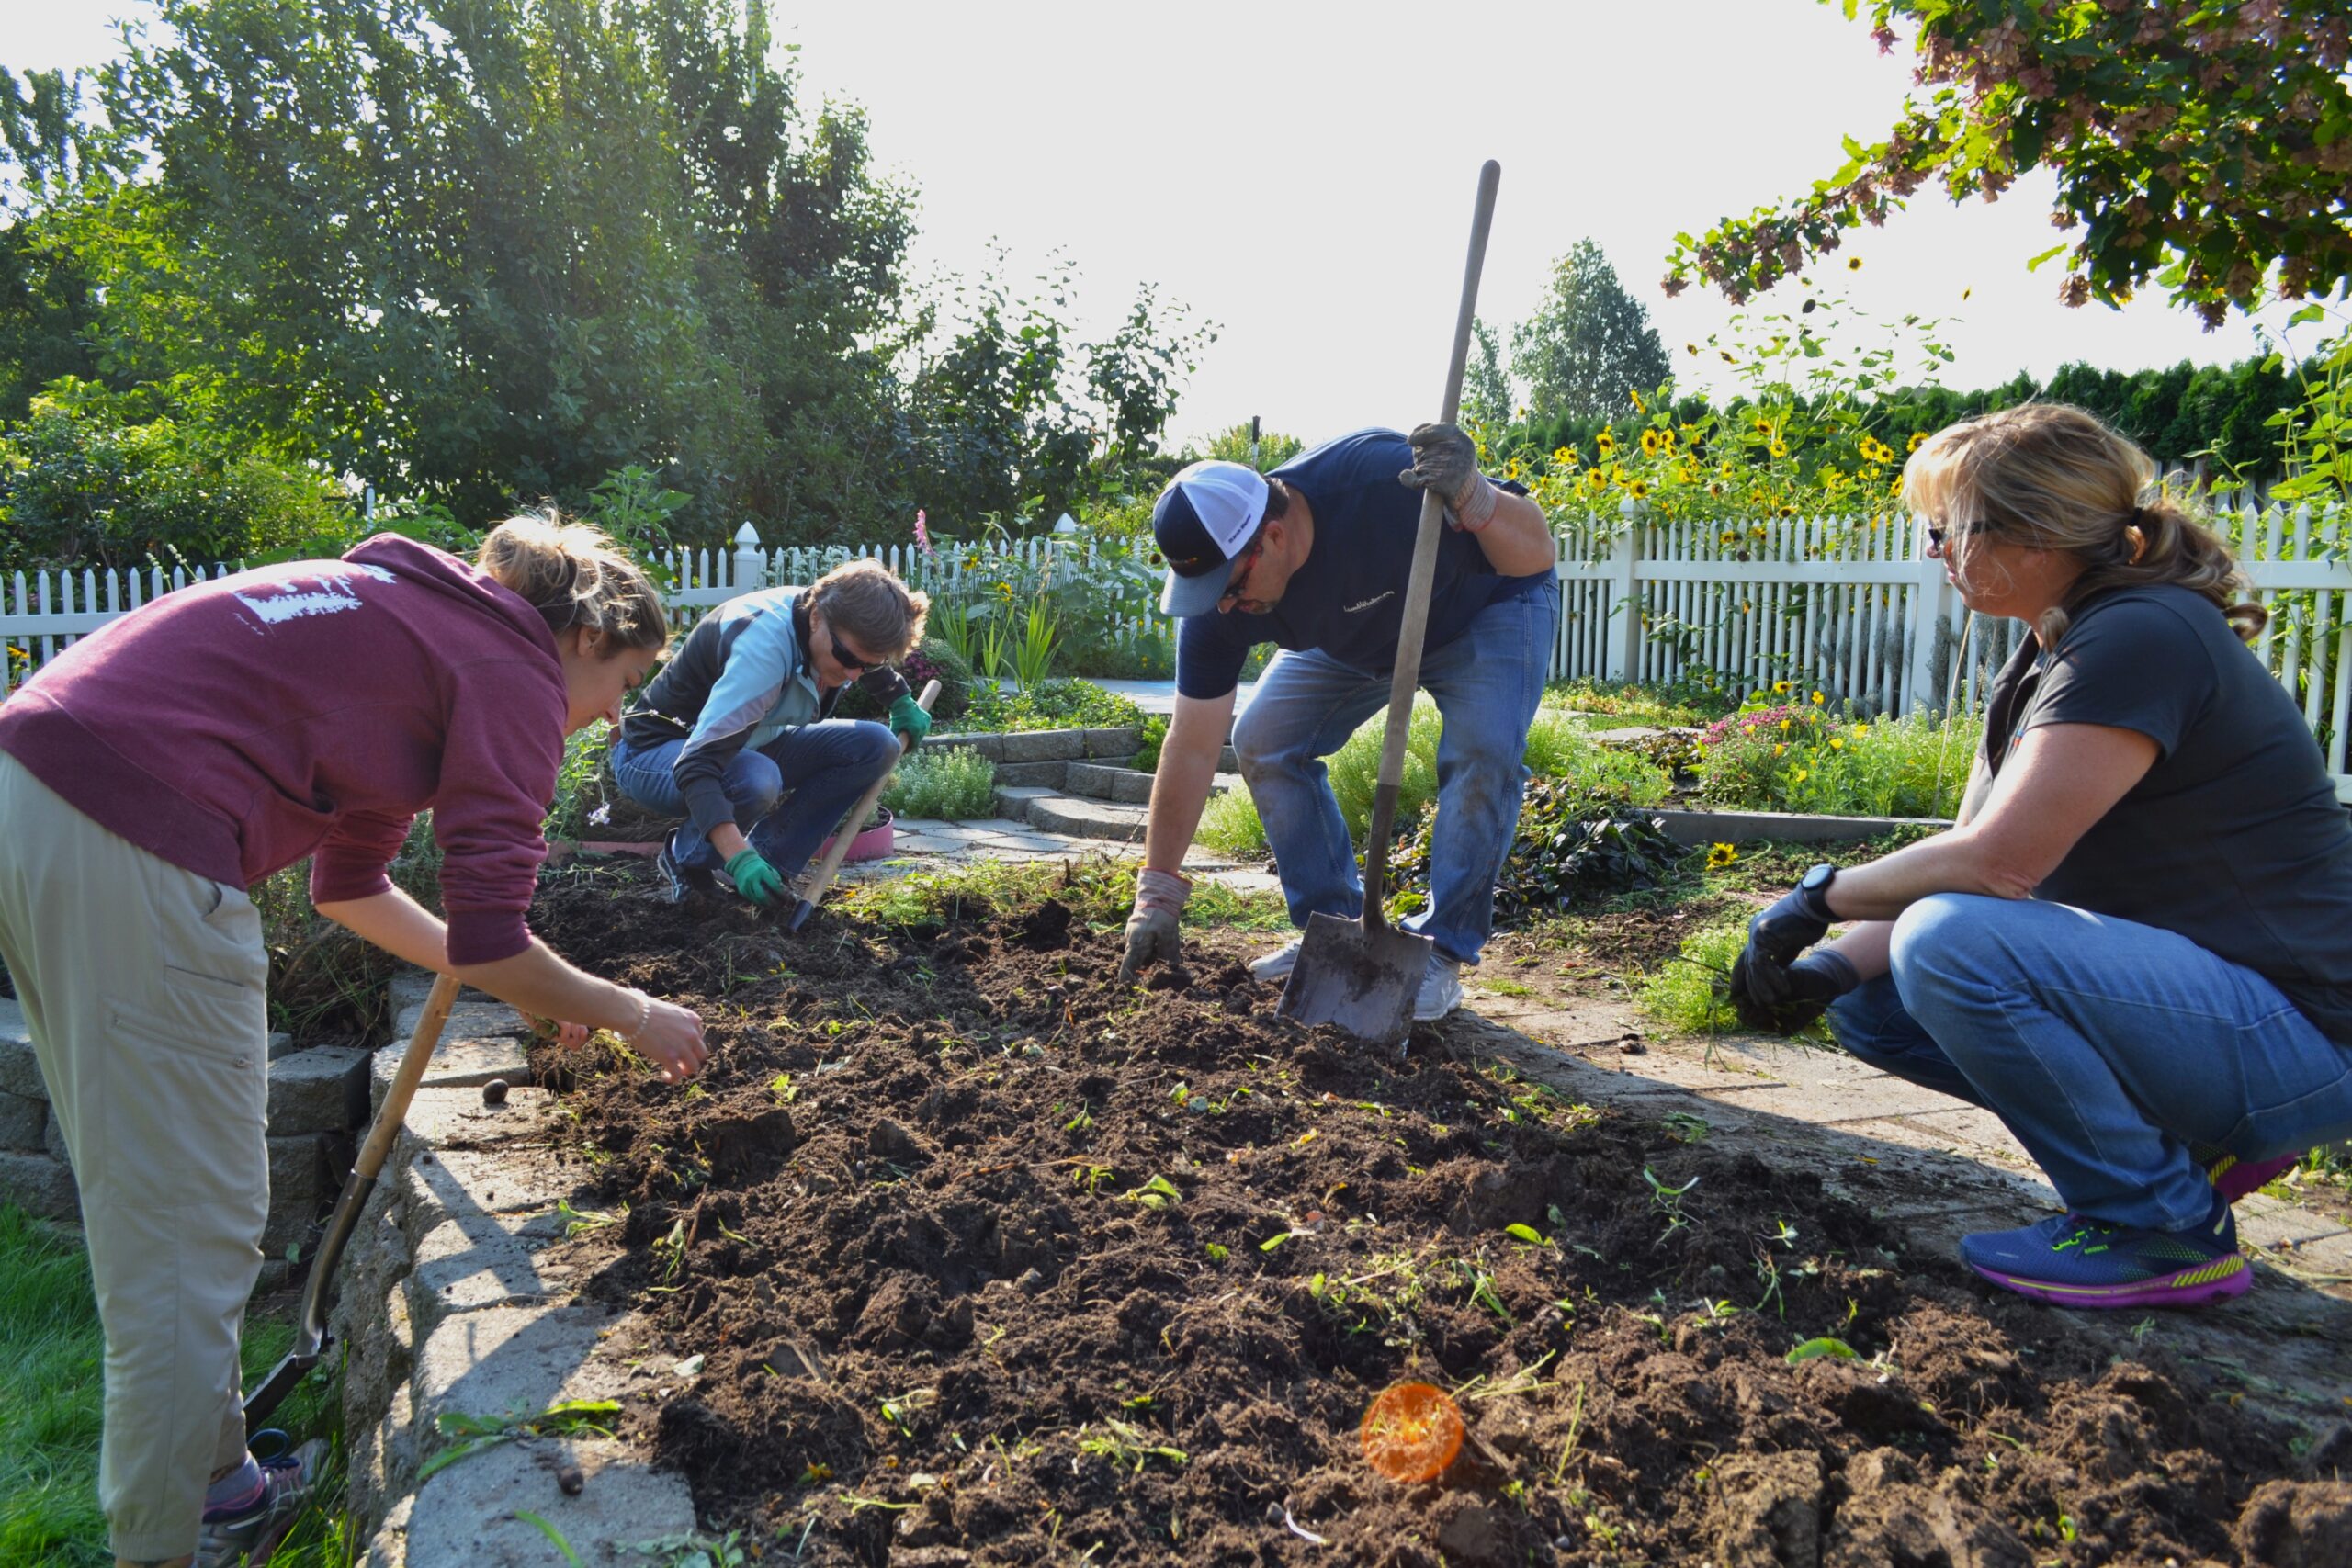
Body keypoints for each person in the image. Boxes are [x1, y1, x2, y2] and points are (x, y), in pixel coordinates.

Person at [0, 511, 712, 1567]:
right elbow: (490, 932)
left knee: (170, 1202)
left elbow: (350, 889)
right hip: (136, 829)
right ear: (585, 639)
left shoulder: (417, 629)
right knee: (185, 1239)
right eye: (621, 688)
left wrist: (512, 977)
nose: (613, 720)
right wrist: (632, 1010)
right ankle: (163, 1546)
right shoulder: (511, 667)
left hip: (50, 796)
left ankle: (218, 1481)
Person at [1729, 403, 2352, 1310]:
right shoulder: (2049, 651)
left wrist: (1815, 898)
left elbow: (1995, 867)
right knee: (1874, 1003)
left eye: (1947, 528)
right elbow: (1958, 863)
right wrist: (1819, 971)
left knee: (1949, 942)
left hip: (2305, 1031)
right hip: (2221, 1009)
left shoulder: (2140, 634)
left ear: (2031, 533)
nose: (1932, 550)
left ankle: (2159, 1228)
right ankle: (2181, 1158)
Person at [1117, 423, 1561, 1021]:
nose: (1222, 607)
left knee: (1484, 749)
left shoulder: (1383, 482)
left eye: (1229, 588)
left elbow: (1538, 548)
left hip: (1483, 604)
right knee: (1266, 738)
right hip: (1363, 636)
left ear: (1272, 537)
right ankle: (1333, 928)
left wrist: (1473, 496)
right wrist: (1158, 892)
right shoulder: (1222, 603)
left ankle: (1442, 952)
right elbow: (1192, 742)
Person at [609, 558, 933, 907]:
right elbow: (697, 765)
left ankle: (770, 865)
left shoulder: (830, 625)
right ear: (816, 618)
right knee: (755, 778)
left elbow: (860, 655)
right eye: (847, 658)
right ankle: (688, 859)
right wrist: (738, 855)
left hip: (748, 744)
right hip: (655, 753)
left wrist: (899, 698)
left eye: (869, 665)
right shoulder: (763, 648)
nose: (855, 675)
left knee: (876, 746)